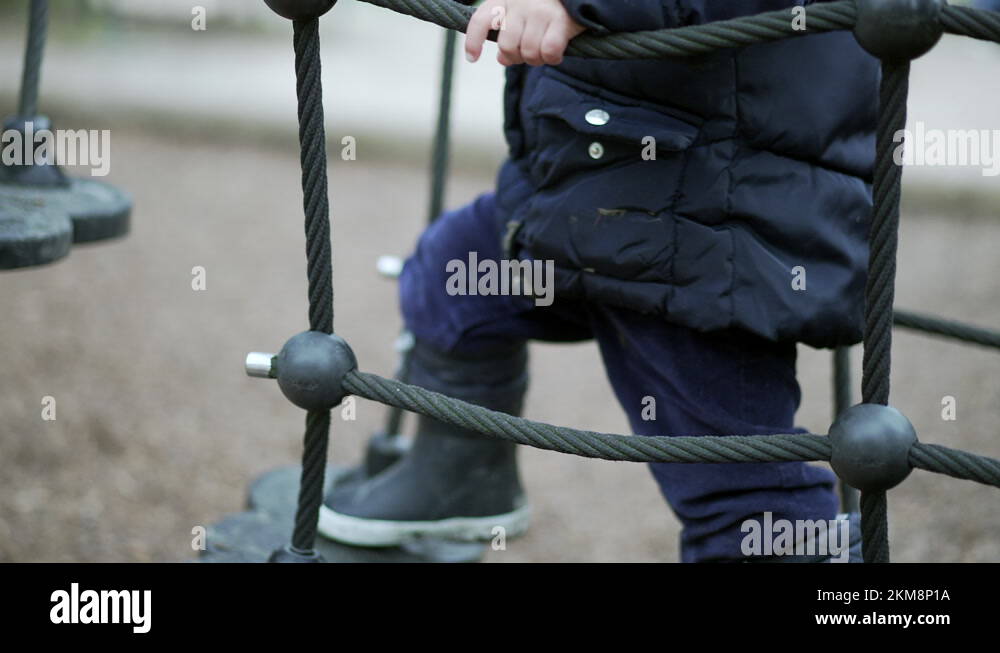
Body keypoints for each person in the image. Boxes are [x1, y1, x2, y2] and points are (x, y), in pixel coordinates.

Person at [318, 0, 877, 562]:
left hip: (702, 229)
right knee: (452, 272)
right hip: (586, 186)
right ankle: (462, 481)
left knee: (739, 490)